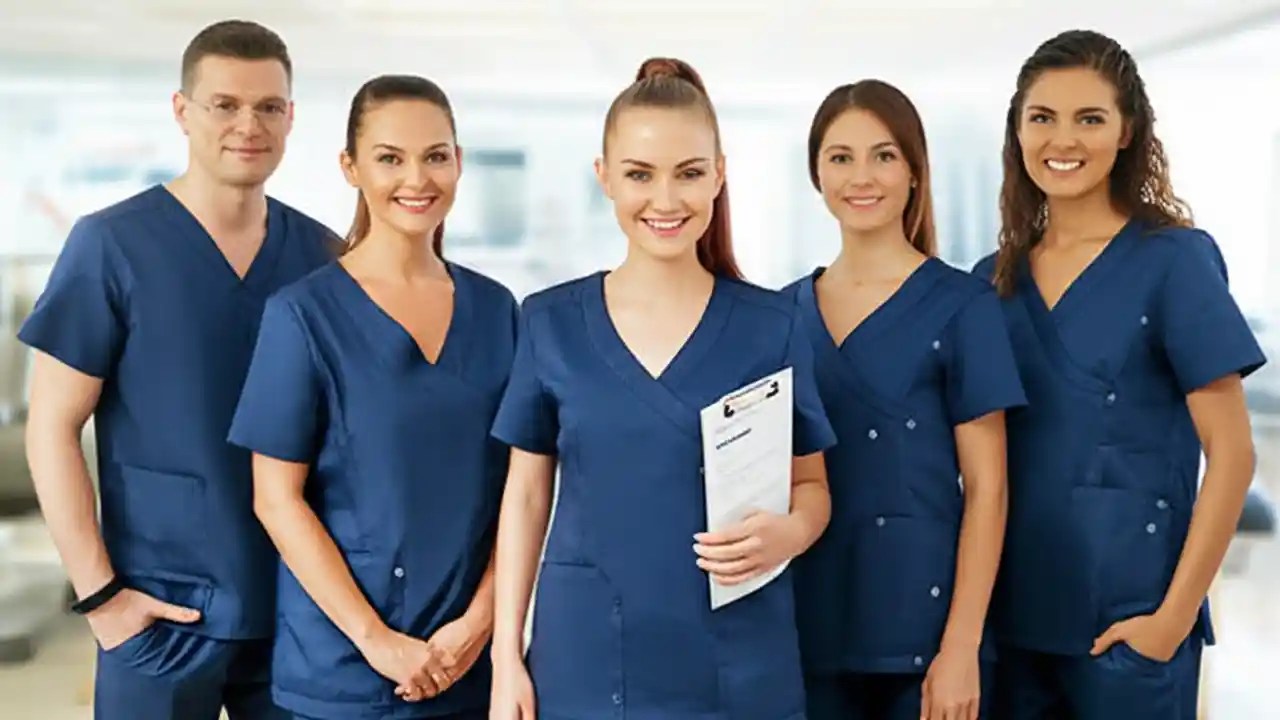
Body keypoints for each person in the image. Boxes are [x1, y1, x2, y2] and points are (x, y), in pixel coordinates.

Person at [486, 57, 836, 720]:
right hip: (587, 654)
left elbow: (813, 487)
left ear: (720, 175)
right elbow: (527, 495)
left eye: (690, 173)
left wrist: (790, 534)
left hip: (736, 660)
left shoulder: (772, 328)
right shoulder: (550, 322)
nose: (667, 201)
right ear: (605, 179)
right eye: (640, 175)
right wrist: (508, 657)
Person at [18, 19, 338, 720]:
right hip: (158, 611)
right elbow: (51, 428)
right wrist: (101, 597)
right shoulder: (112, 245)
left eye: (269, 107)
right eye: (224, 104)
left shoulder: (321, 254)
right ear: (182, 111)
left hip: (301, 614)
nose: (248, 125)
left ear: (291, 118)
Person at [972, 29, 1267, 720]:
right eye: (1041, 117)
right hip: (1012, 626)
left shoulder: (1175, 262)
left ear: (1127, 131)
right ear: (1017, 130)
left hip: (1130, 626)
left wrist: (1171, 621)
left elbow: (1233, 456)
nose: (1062, 138)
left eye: (1090, 118)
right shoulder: (993, 282)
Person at [227, 74, 513, 720]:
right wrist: (378, 643)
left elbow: (522, 492)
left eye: (436, 156)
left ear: (459, 162)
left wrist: (479, 623)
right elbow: (275, 500)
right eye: (390, 158)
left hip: (468, 664)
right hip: (346, 677)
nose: (418, 179)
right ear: (350, 168)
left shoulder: (499, 313)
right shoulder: (303, 316)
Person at [787, 79, 1026, 720]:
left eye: (883, 155)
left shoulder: (963, 305)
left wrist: (962, 646)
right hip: (810, 634)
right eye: (840, 157)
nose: (861, 176)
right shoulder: (781, 314)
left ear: (915, 172)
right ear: (816, 173)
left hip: (925, 641)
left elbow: (988, 488)